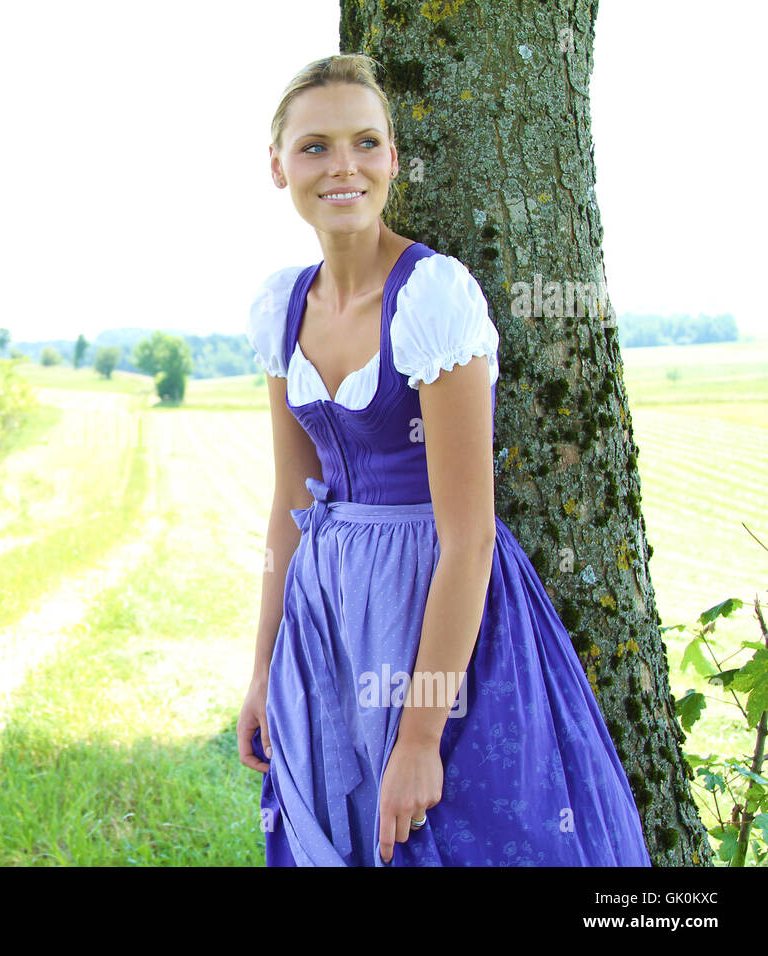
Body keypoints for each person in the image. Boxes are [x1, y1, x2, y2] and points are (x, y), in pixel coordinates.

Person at [236, 52, 651, 867]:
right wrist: (263, 670)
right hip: (329, 613)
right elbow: (291, 498)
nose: (344, 166)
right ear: (278, 166)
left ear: (393, 158)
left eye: (366, 142)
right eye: (315, 146)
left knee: (446, 830)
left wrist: (422, 734)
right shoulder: (283, 306)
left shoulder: (431, 296)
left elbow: (470, 537)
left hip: (431, 602)